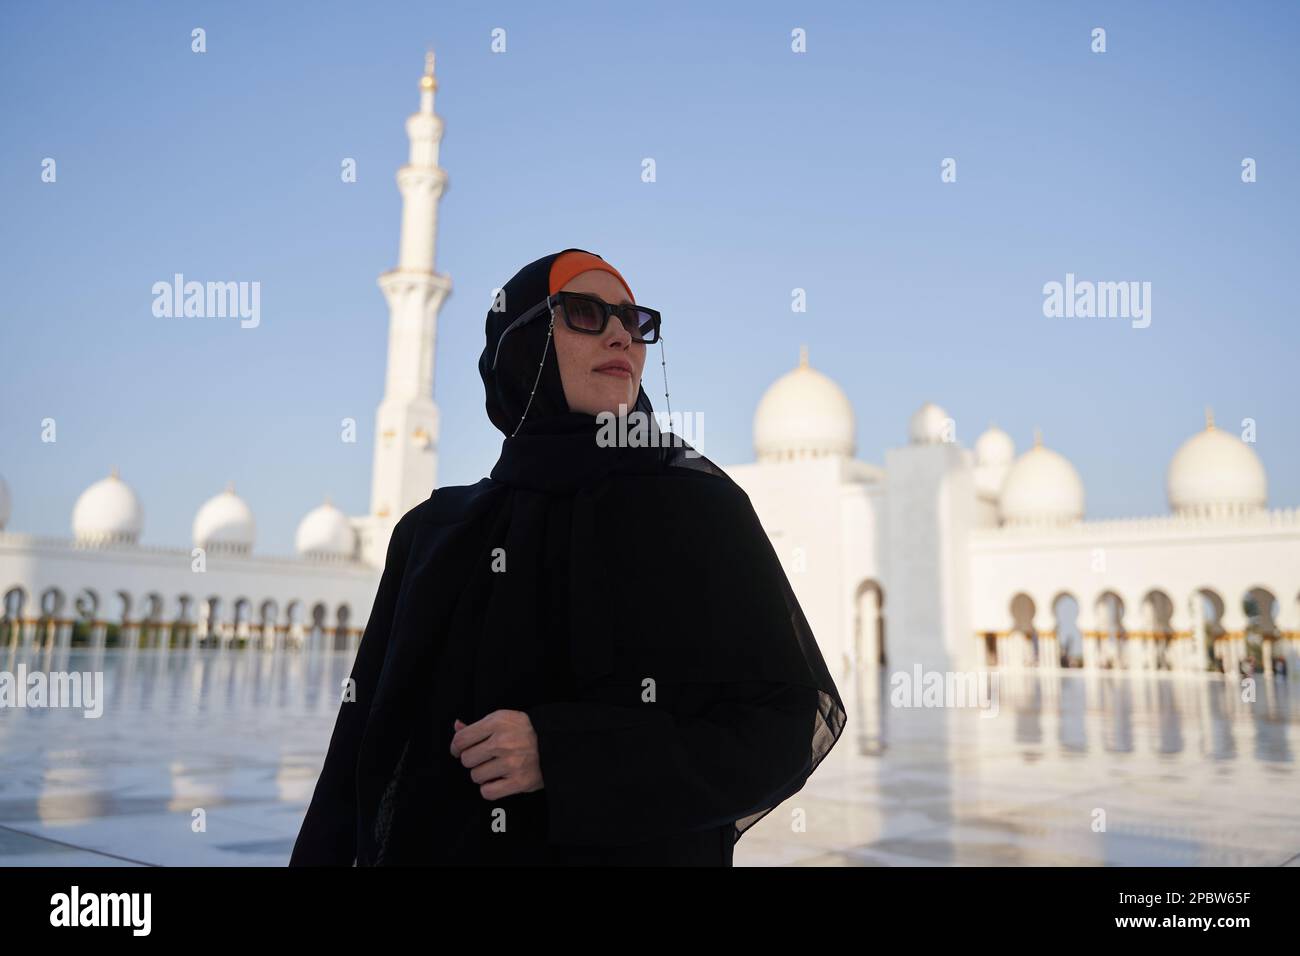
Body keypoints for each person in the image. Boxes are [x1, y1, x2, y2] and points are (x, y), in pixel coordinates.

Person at [289, 248, 847, 866]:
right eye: (583, 313)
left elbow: (783, 731)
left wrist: (563, 753)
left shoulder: (700, 512)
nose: (620, 335)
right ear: (521, 345)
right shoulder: (436, 531)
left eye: (634, 322)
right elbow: (356, 759)